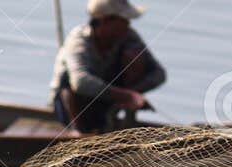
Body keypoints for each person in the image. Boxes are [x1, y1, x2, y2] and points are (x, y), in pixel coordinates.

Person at [51, 0, 166, 134]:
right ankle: (77, 131)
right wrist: (124, 96)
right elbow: (80, 82)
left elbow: (159, 74)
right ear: (106, 21)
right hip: (71, 107)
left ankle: (125, 124)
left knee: (135, 57)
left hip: (107, 102)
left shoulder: (129, 36)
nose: (128, 24)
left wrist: (133, 92)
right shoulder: (79, 39)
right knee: (69, 78)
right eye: (124, 20)